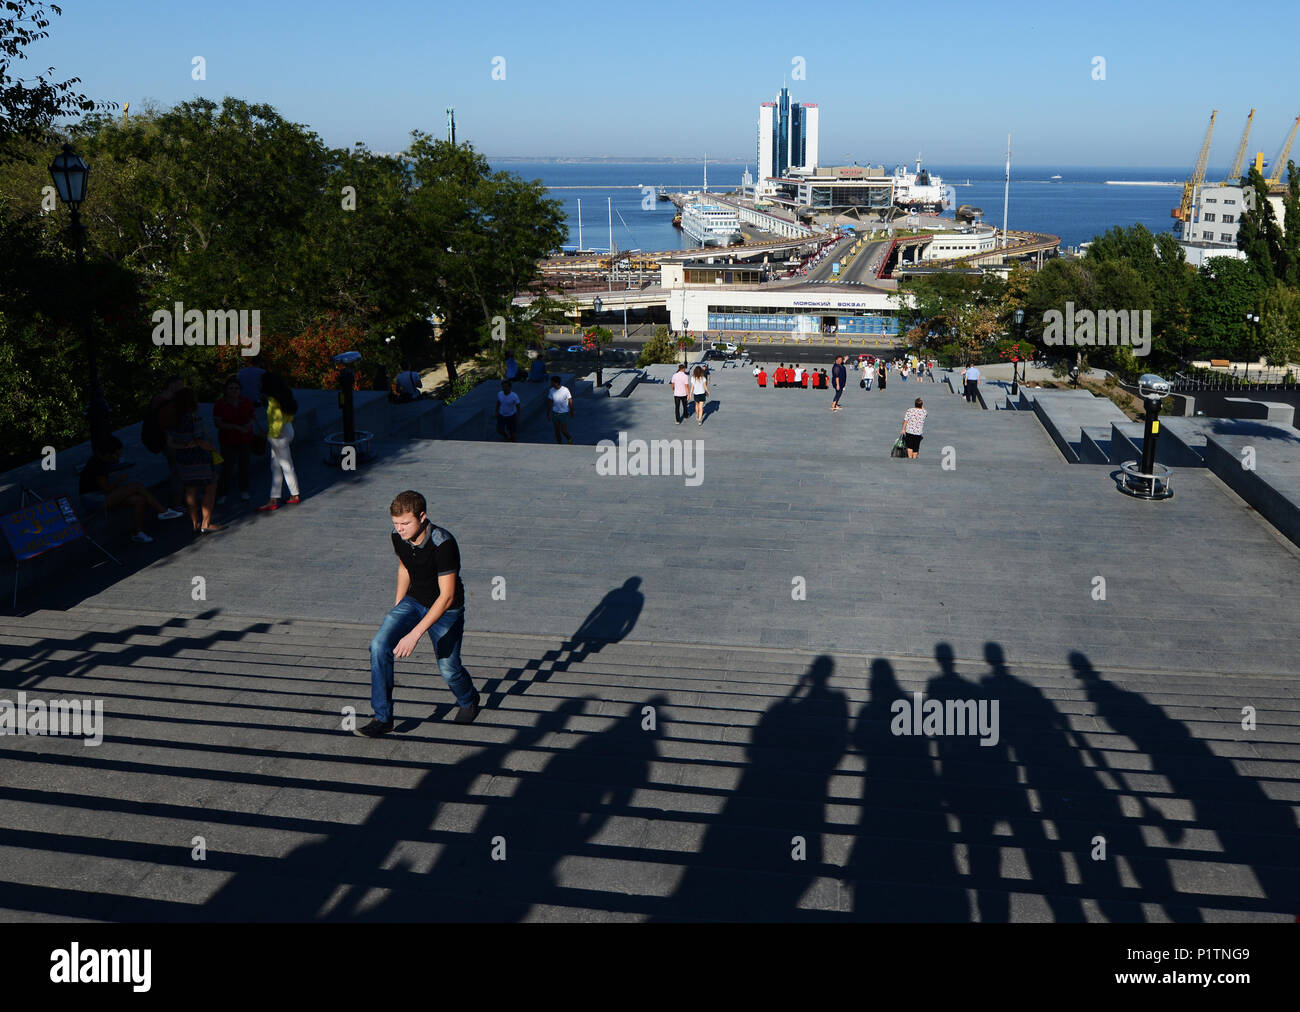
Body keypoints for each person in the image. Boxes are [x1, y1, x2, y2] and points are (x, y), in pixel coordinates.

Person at [356, 489, 482, 737]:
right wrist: (397, 606)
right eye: (395, 523)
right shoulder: (397, 536)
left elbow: (446, 597)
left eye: (405, 523)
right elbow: (404, 567)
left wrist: (413, 634)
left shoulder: (443, 543)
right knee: (378, 645)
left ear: (422, 517)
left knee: (449, 668)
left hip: (446, 610)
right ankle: (383, 717)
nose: (399, 529)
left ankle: (468, 699)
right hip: (414, 601)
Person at [79, 435, 183, 543]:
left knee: (138, 499)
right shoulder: (97, 465)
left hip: (100, 496)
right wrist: (119, 482)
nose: (117, 458)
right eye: (115, 455)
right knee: (136, 486)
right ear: (106, 454)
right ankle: (163, 511)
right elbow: (107, 490)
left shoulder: (102, 461)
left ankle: (137, 533)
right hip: (93, 500)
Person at [165, 388, 222, 533]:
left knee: (190, 490)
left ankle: (195, 523)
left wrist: (183, 446)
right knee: (211, 487)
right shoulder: (193, 416)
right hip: (199, 457)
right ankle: (206, 523)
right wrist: (213, 449)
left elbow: (170, 442)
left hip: (183, 458)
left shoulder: (172, 419)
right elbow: (199, 439)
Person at [257, 372, 301, 511]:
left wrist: (270, 436)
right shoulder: (284, 396)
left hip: (279, 435)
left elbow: (277, 421)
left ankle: (294, 495)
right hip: (288, 430)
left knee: (286, 465)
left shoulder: (273, 400)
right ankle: (274, 498)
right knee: (276, 466)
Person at [143, 376, 186, 511]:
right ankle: (177, 503)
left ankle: (180, 500)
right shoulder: (165, 403)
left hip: (166, 441)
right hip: (169, 442)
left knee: (177, 469)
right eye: (181, 385)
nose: (183, 388)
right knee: (178, 471)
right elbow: (167, 426)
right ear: (172, 385)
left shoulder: (159, 399)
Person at [213, 377, 255, 504]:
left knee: (244, 466)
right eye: (231, 388)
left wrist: (248, 426)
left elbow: (253, 416)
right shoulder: (220, 404)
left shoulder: (246, 402)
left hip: (245, 439)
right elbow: (218, 422)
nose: (234, 391)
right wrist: (235, 427)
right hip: (228, 440)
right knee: (227, 468)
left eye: (236, 388)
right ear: (226, 390)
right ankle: (223, 493)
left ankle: (244, 490)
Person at [548, 375, 574, 443]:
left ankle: (570, 439)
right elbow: (550, 402)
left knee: (563, 431)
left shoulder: (565, 390)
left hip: (564, 413)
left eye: (552, 382)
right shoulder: (551, 390)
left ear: (556, 383)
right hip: (555, 413)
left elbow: (570, 400)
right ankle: (559, 444)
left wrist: (571, 411)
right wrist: (548, 413)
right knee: (556, 431)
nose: (551, 384)